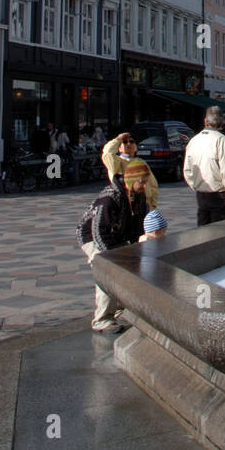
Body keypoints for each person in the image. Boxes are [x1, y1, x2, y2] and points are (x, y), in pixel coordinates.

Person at [76, 135, 149, 331]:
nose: (144, 187)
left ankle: (119, 308)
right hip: (92, 236)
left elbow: (138, 227)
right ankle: (102, 320)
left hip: (117, 234)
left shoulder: (140, 199)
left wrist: (137, 247)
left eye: (146, 182)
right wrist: (109, 255)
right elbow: (98, 229)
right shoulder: (111, 197)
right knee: (107, 273)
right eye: (141, 183)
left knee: (126, 268)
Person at [183, 107, 225, 226]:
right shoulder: (222, 140)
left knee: (203, 233)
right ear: (222, 122)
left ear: (205, 121)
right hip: (220, 194)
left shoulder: (194, 141)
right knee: (221, 233)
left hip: (202, 194)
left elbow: (187, 170)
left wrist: (196, 185)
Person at [101, 131, 159, 208]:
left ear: (136, 147)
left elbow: (153, 184)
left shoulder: (142, 163)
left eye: (131, 142)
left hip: (144, 205)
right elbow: (107, 153)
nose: (129, 144)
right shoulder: (117, 162)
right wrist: (118, 139)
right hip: (126, 205)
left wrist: (152, 204)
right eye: (124, 142)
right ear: (119, 148)